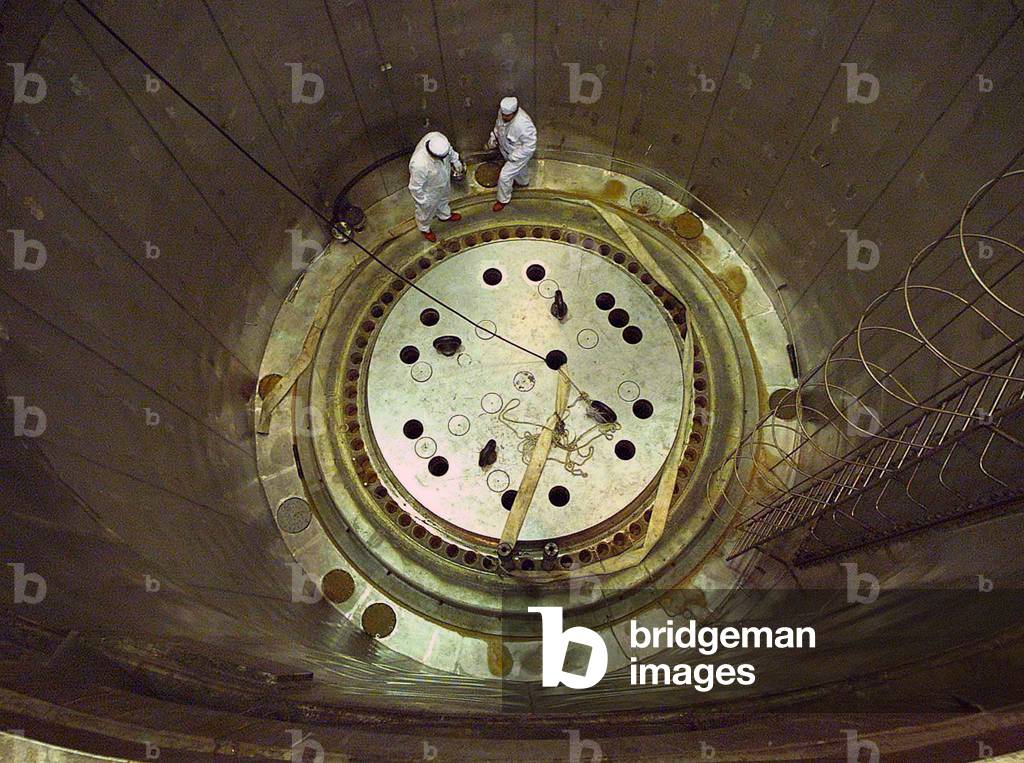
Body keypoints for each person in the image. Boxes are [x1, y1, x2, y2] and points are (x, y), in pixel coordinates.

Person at [408, 131, 464, 242]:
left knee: (443, 199)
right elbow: (415, 187)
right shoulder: (419, 164)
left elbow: (450, 151)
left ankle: (444, 215)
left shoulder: (438, 138)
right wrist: (423, 202)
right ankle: (425, 229)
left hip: (443, 180)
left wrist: (456, 161)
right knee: (426, 212)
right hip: (429, 190)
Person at [484, 96, 537, 212]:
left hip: (518, 154)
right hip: (506, 148)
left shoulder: (524, 124)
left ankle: (502, 200)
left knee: (504, 176)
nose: (503, 117)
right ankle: (523, 182)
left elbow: (530, 146)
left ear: (515, 112)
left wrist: (513, 157)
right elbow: (498, 126)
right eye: (503, 114)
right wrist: (493, 138)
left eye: (507, 116)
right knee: (520, 172)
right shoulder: (503, 113)